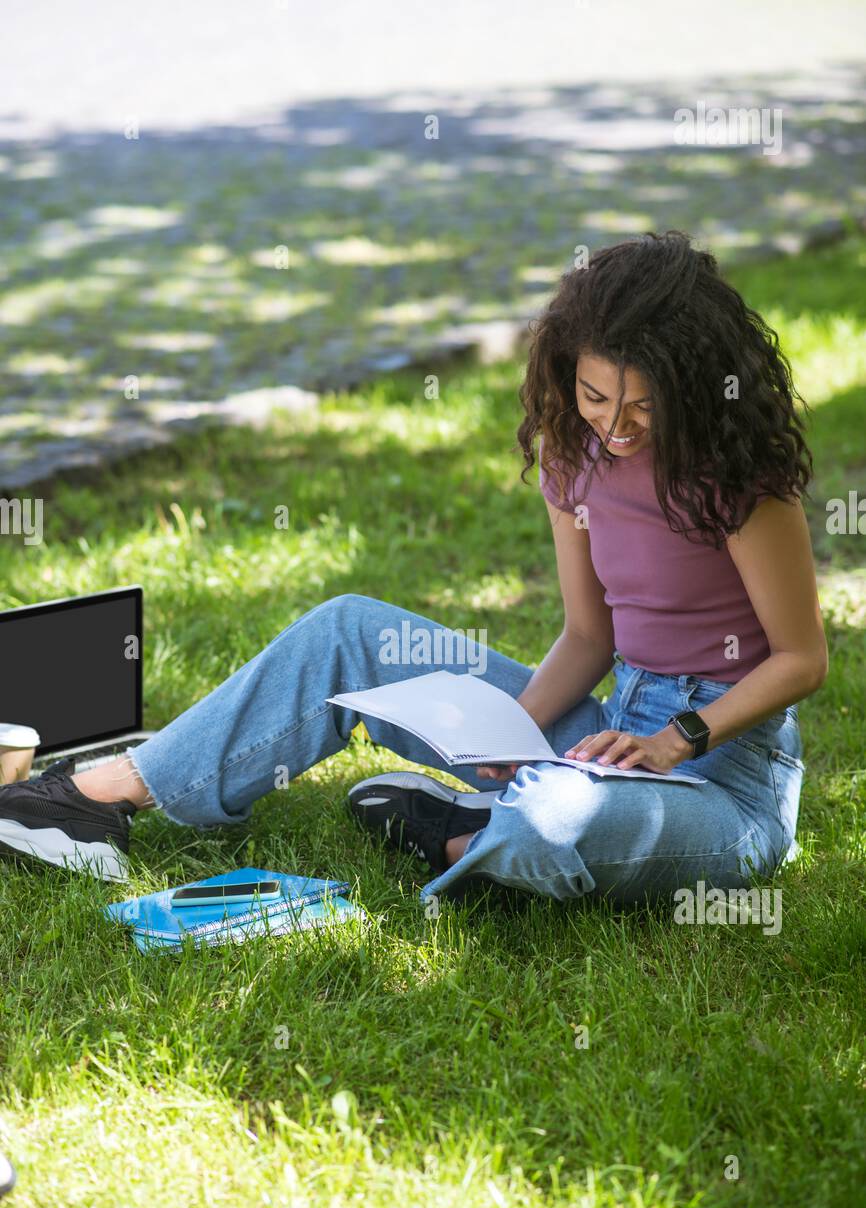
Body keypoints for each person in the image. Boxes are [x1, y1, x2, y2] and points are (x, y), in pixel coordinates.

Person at [0, 232, 827, 908]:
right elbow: (587, 636)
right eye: (595, 397)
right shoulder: (572, 459)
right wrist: (511, 737)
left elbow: (802, 660)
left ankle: (471, 831)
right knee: (349, 629)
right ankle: (96, 799)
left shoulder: (736, 475)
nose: (615, 425)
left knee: (558, 817)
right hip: (611, 736)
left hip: (724, 783)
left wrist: (674, 741)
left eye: (642, 404)